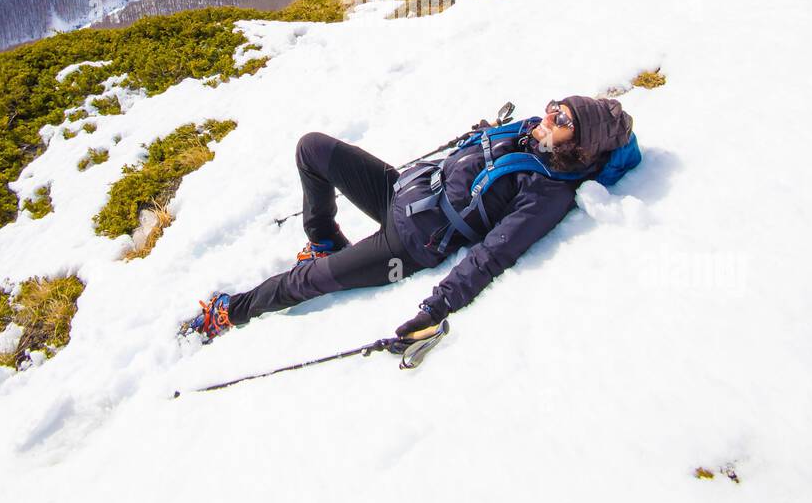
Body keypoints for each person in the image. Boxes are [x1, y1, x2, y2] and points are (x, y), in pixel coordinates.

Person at [182, 95, 639, 344]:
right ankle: (323, 238)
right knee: (312, 148)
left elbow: (493, 254)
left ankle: (229, 312)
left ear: (576, 146)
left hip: (408, 247)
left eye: (562, 119)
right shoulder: (526, 133)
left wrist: (434, 309)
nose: (549, 113)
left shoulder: (546, 192)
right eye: (557, 104)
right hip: (402, 191)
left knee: (308, 281)